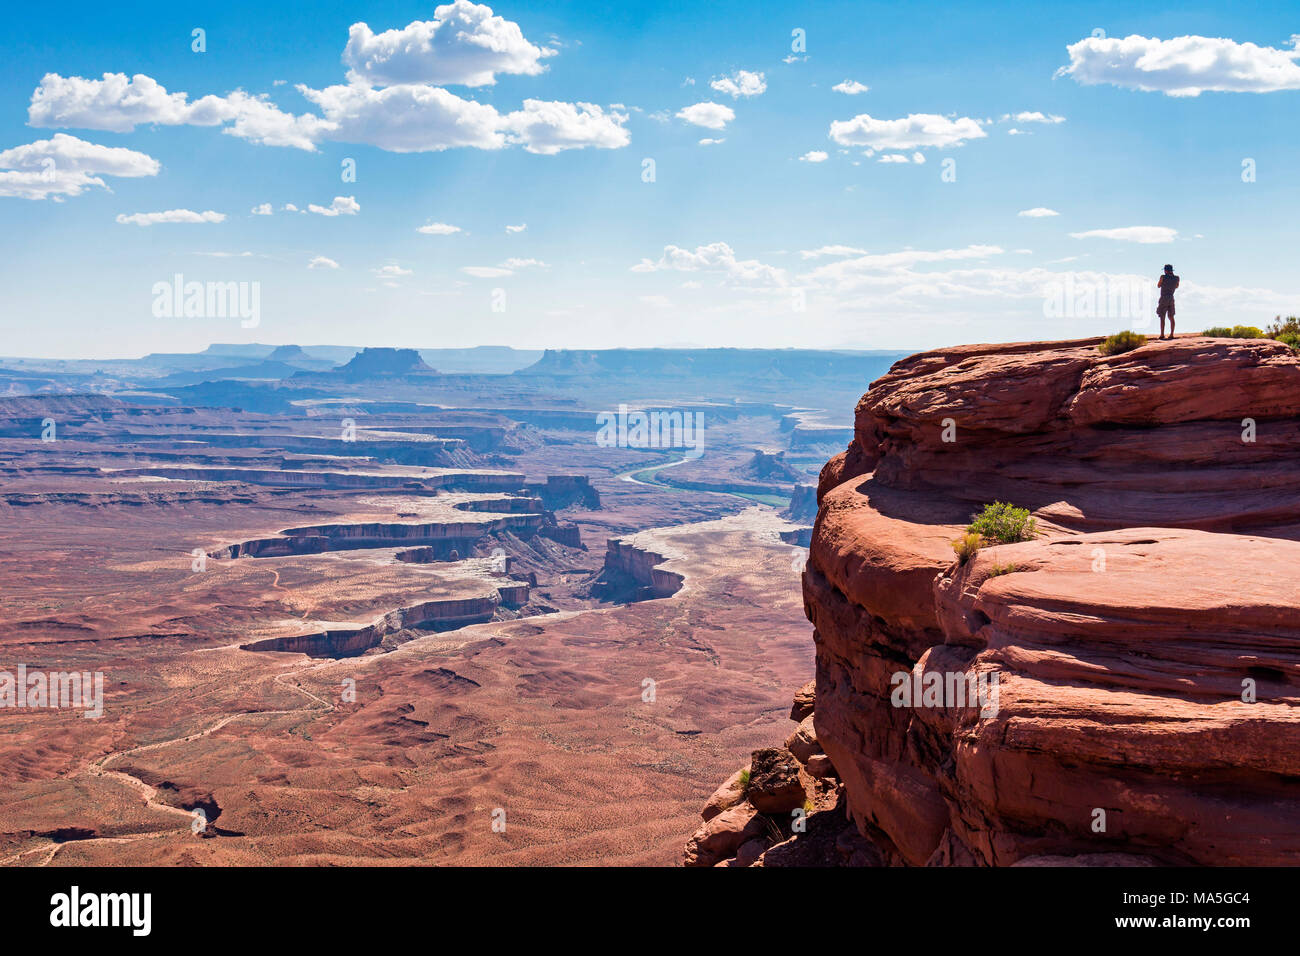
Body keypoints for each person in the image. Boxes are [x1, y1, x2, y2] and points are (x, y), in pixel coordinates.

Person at [1157, 264, 1179, 339]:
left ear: (1166, 270)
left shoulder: (1163, 277)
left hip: (1164, 298)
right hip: (1171, 297)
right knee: (1171, 317)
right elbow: (1177, 286)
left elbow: (1158, 285)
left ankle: (1162, 334)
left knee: (1162, 316)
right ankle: (1171, 334)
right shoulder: (1177, 278)